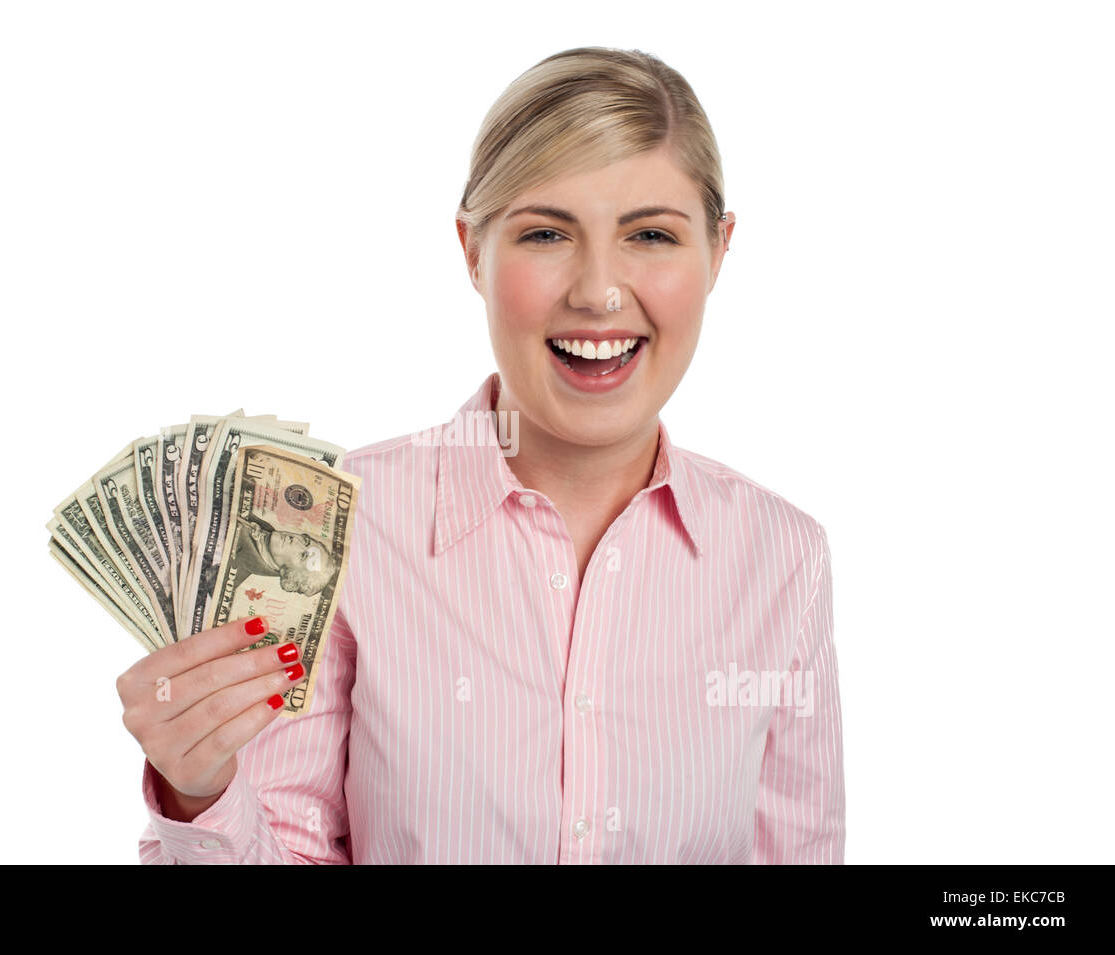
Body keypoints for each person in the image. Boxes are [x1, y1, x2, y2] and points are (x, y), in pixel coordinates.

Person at [116, 45, 844, 864]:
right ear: (471, 251)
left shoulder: (785, 558)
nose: (599, 290)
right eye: (545, 233)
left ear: (718, 250)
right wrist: (198, 791)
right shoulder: (335, 529)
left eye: (650, 234)